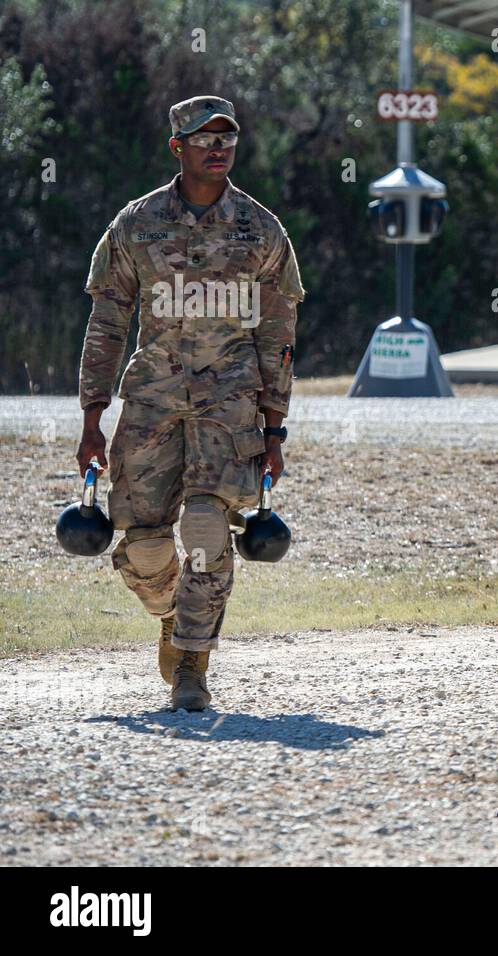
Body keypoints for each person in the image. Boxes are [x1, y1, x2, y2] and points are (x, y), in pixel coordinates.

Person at [76, 95, 305, 711]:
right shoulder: (136, 224)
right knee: (144, 542)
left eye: (226, 138)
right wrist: (92, 418)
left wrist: (275, 430)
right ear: (177, 147)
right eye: (204, 139)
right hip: (150, 403)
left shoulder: (261, 231)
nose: (218, 148)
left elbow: (278, 334)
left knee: (206, 528)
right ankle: (172, 617)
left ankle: (193, 667)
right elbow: (107, 320)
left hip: (229, 407)